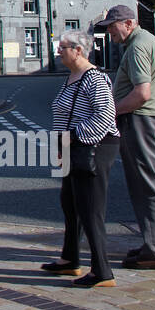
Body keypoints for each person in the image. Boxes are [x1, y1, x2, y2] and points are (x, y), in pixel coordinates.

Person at [94, 5, 155, 270]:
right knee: (153, 182)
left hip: (140, 120)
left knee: (145, 185)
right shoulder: (150, 42)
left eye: (112, 25)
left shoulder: (138, 46)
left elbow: (142, 93)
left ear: (129, 23)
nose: (109, 31)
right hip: (152, 118)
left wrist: (110, 112)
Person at [41, 29, 121, 287]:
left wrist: (73, 137)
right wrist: (63, 143)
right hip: (71, 146)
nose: (58, 51)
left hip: (92, 147)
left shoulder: (94, 79)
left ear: (78, 50)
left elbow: (105, 117)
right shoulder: (73, 76)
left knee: (90, 208)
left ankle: (102, 272)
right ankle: (70, 259)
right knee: (70, 204)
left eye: (63, 47)